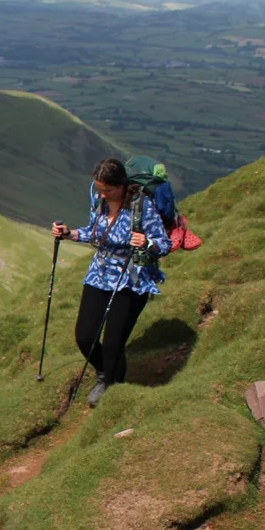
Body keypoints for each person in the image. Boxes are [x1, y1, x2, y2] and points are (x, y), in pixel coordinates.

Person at [53, 158, 172, 407]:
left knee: (113, 342)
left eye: (108, 190)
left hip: (131, 279)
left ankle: (112, 387)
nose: (103, 195)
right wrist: (70, 233)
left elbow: (164, 244)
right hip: (99, 274)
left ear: (122, 185)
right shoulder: (99, 201)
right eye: (99, 189)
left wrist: (147, 244)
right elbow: (95, 231)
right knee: (84, 336)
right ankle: (107, 373)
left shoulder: (142, 206)